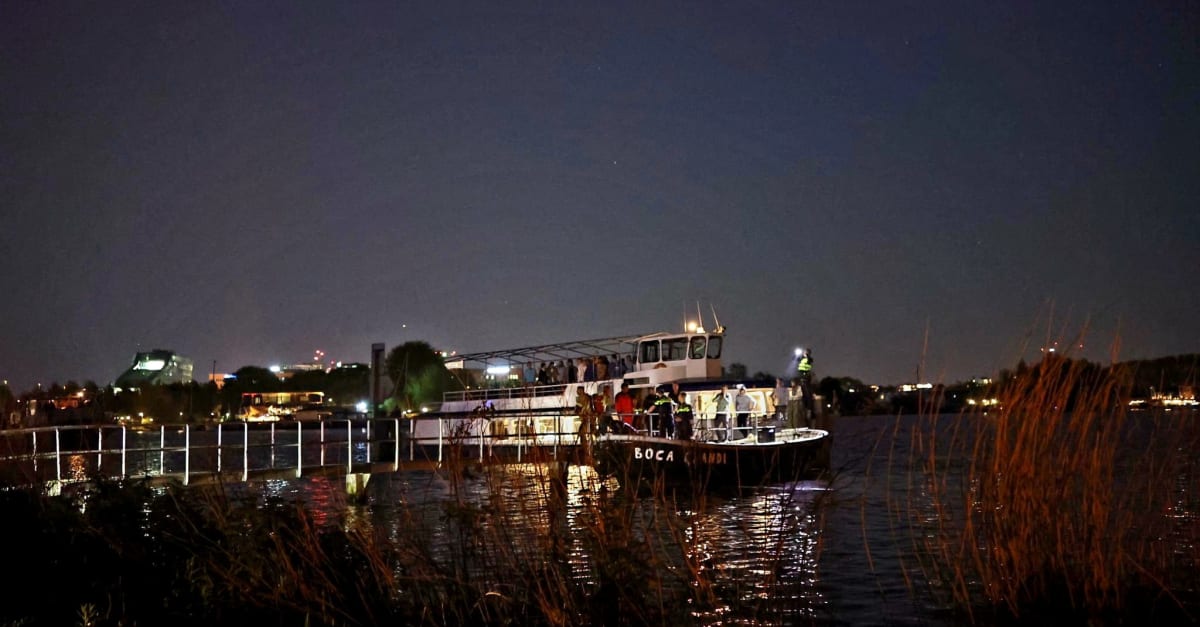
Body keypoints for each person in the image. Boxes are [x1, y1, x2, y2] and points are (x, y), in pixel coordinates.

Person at [796, 349, 814, 426]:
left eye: (805, 352)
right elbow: (797, 360)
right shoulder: (802, 358)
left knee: (807, 393)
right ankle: (805, 410)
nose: (804, 353)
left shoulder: (809, 359)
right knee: (803, 393)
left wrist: (807, 356)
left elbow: (810, 361)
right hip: (802, 376)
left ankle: (809, 411)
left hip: (806, 376)